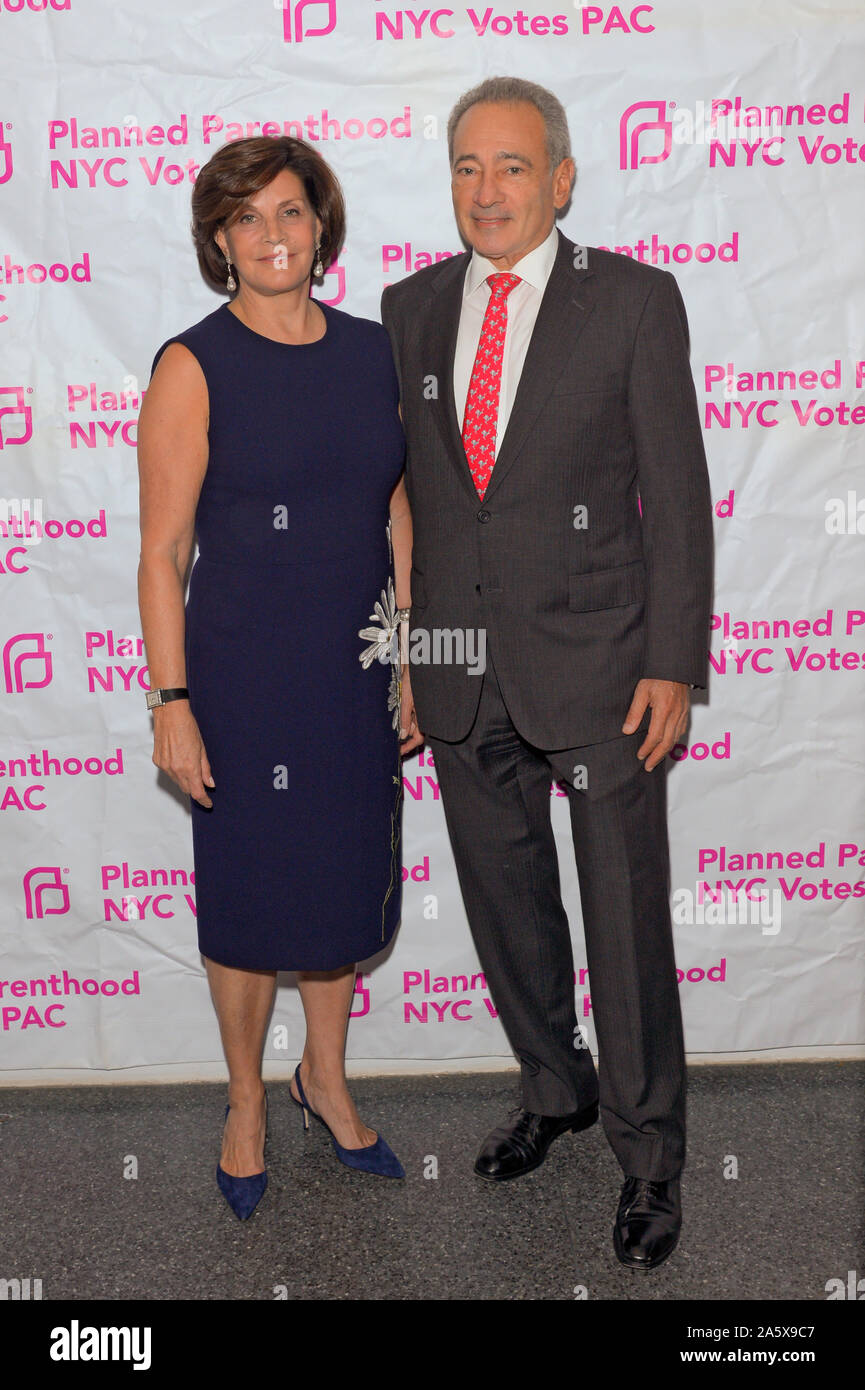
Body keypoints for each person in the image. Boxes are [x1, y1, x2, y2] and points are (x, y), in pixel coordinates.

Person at [382, 76, 714, 1270]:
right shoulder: (410, 309)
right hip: (465, 671)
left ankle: (648, 1157)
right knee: (507, 910)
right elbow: (420, 502)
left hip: (605, 669)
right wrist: (420, 654)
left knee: (623, 924)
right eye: (468, 166)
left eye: (513, 166)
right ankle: (554, 1086)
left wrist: (674, 660)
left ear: (562, 179)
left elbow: (675, 498)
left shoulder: (630, 301)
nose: (489, 189)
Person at [137, 135, 420, 1220]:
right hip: (242, 678)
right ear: (219, 240)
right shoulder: (192, 363)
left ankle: (327, 1080)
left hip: (352, 666)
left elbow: (396, 509)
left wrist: (412, 659)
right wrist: (172, 703)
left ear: (321, 228)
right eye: (247, 218)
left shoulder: (371, 353)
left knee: (342, 889)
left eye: (290, 212)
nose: (272, 235)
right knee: (253, 900)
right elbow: (163, 553)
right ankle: (247, 1099)